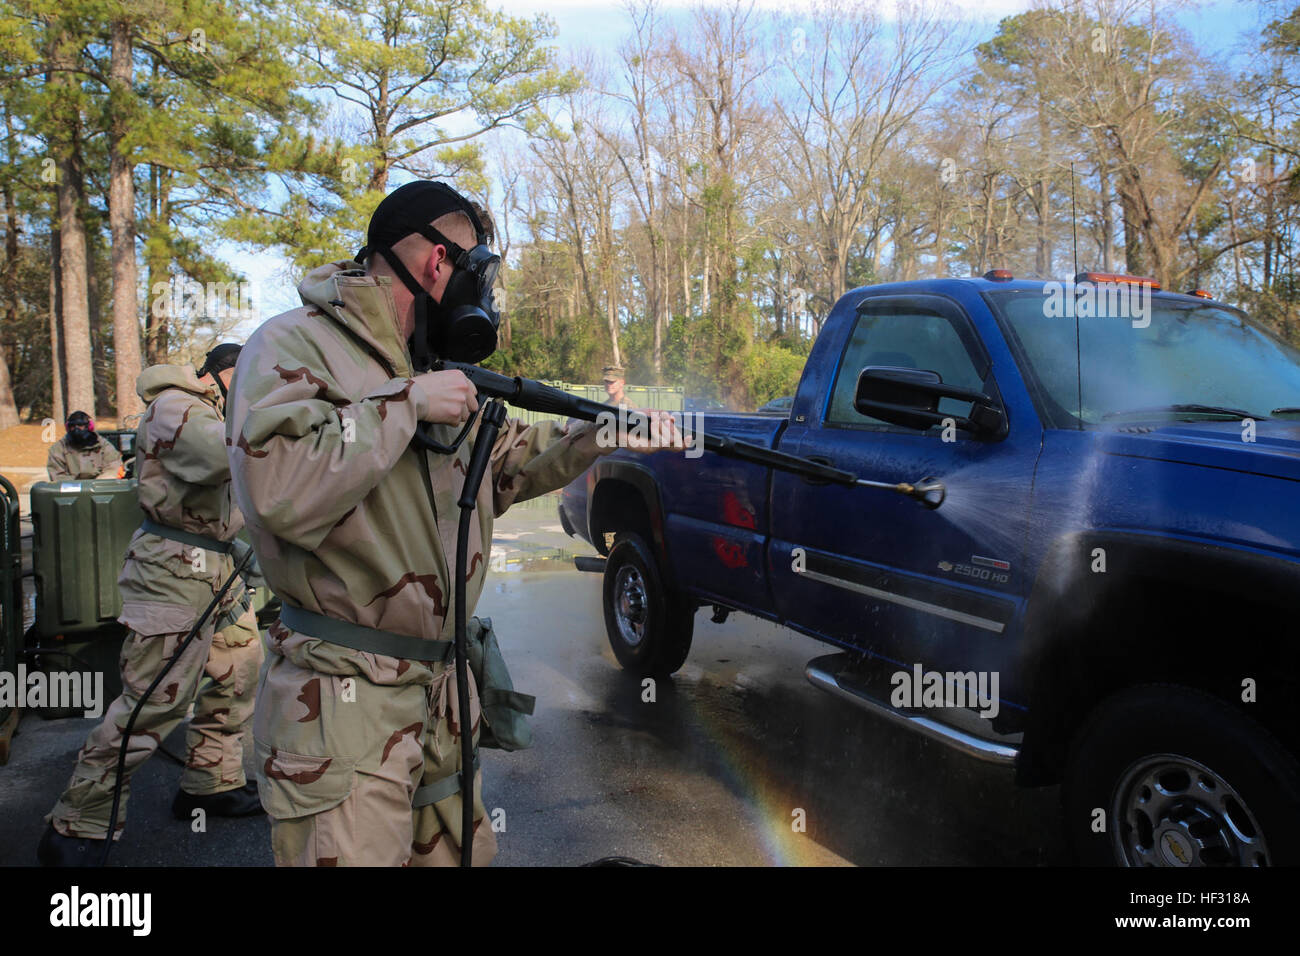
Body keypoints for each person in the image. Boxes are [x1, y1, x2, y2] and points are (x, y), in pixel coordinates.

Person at [226, 179, 682, 867]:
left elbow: (504, 468)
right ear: (437, 262)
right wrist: (405, 403)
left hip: (440, 696)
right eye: (475, 266)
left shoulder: (434, 366)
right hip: (344, 702)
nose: (481, 287)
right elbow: (273, 485)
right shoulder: (296, 345)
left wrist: (599, 434)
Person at [38, 344, 266, 866]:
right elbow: (220, 457)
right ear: (218, 375)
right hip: (172, 572)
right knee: (154, 700)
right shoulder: (175, 405)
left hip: (219, 570)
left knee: (237, 674)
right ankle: (79, 823)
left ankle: (211, 783)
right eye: (245, 377)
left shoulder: (220, 410)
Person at [46, 411, 123, 480]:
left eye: (80, 425)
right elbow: (57, 476)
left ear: (89, 427)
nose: (76, 429)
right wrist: (79, 487)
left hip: (99, 488)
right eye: (72, 426)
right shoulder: (58, 448)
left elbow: (113, 469)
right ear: (68, 428)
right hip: (71, 491)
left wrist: (96, 485)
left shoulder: (103, 445)